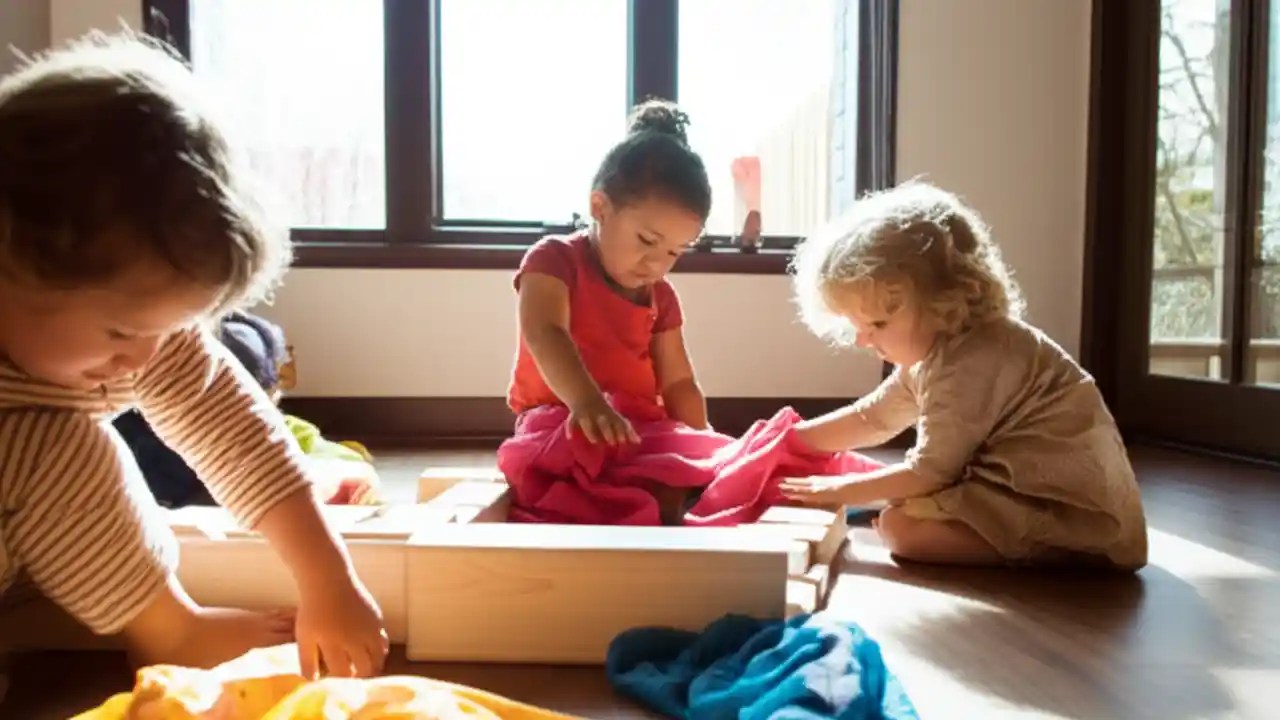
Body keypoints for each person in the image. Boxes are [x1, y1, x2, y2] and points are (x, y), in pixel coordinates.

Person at [0, 31, 387, 677]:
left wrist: (329, 579)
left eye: (172, 327)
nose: (143, 358)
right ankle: (164, 630)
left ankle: (164, 628)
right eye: (120, 333)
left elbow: (233, 433)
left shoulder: (141, 338)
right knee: (57, 444)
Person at [781, 181, 1148, 569]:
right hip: (1014, 486)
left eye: (877, 324)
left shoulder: (971, 361)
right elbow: (874, 418)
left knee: (902, 530)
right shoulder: (940, 349)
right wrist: (790, 441)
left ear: (942, 302)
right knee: (900, 510)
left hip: (1071, 512)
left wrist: (837, 490)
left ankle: (1062, 550)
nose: (861, 339)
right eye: (858, 325)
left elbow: (930, 471)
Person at [501, 99, 715, 525]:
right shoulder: (554, 259)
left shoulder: (660, 296)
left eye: (674, 252)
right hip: (561, 420)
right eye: (647, 240)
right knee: (566, 475)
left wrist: (704, 444)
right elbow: (546, 332)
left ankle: (662, 499)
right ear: (600, 207)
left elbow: (678, 382)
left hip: (638, 428)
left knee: (690, 463)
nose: (657, 263)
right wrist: (587, 402)